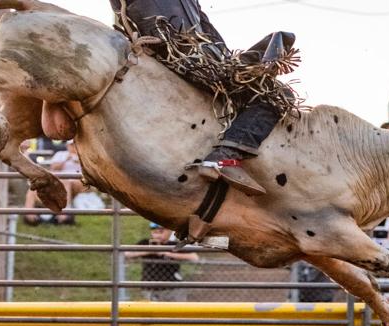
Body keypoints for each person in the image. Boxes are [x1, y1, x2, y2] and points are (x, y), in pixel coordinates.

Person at [114, 0, 298, 200]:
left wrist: (243, 66)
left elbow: (213, 42)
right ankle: (224, 156)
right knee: (278, 94)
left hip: (196, 57)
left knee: (278, 45)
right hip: (186, 57)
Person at [137, 223, 200, 299]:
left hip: (172, 287)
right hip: (150, 286)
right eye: (155, 232)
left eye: (161, 232)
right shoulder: (145, 243)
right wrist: (151, 251)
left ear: (169, 232)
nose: (158, 235)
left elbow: (194, 257)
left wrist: (166, 253)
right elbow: (127, 254)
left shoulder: (173, 245)